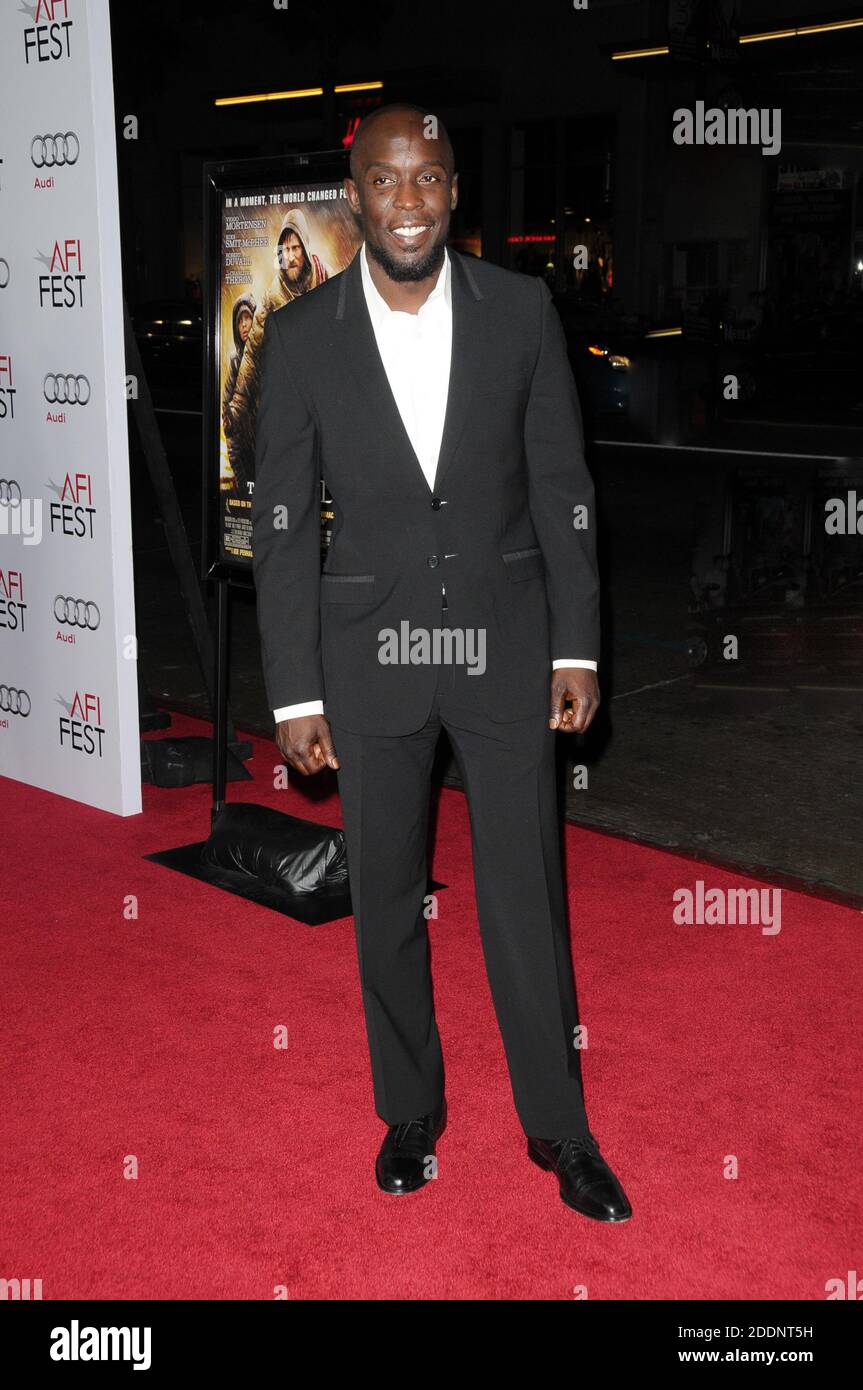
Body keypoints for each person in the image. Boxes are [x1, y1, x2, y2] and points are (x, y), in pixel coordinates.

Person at [251, 103, 631, 1222]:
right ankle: (408, 1109)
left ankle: (559, 1132)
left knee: (524, 898)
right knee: (384, 898)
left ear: (454, 191)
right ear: (354, 195)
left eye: (427, 180)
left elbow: (563, 485)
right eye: (384, 180)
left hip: (505, 645)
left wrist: (574, 643)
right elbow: (280, 519)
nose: (407, 200)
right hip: (364, 656)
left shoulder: (519, 310)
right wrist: (293, 685)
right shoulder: (303, 334)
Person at [225, 207, 330, 486]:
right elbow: (252, 352)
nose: (292, 256)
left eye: (296, 247)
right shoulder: (273, 296)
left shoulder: (326, 281)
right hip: (290, 404)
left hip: (324, 399)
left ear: (305, 248)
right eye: (285, 249)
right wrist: (236, 405)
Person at [222, 291, 256, 492]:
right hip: (245, 454)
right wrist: (238, 469)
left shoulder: (267, 356)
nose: (244, 325)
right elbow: (228, 420)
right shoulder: (235, 363)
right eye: (239, 320)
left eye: (248, 318)